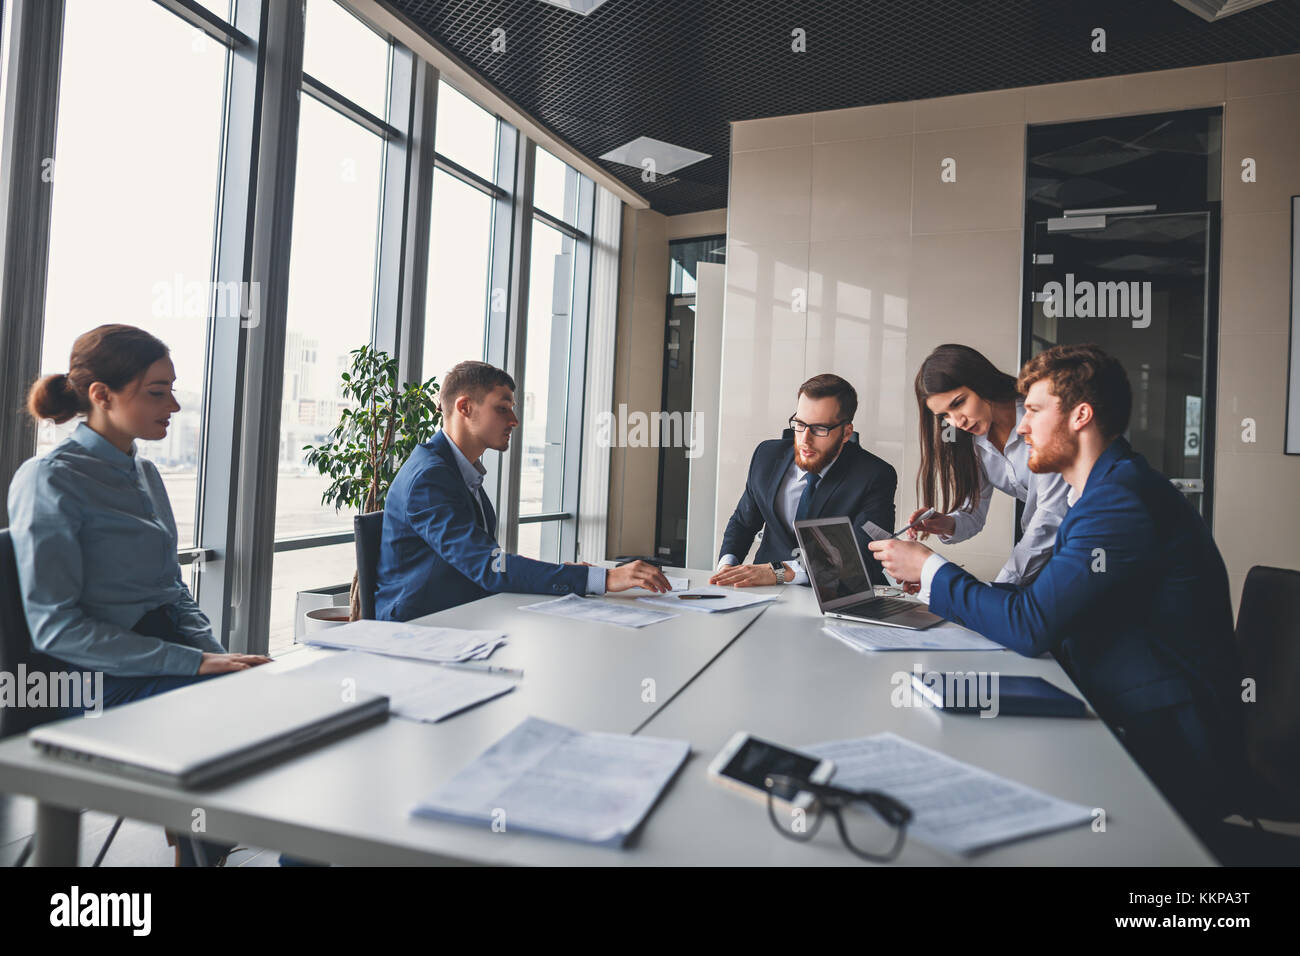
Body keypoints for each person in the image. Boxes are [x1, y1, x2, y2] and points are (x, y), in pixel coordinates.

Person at [869, 343, 1245, 840]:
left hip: (1168, 738)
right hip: (1119, 696)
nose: (1020, 428)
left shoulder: (1118, 504)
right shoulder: (1100, 493)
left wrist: (933, 569)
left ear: (1080, 417)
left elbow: (1030, 623)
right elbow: (1041, 609)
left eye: (1036, 411)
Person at [8, 324, 271, 866]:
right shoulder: (49, 479)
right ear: (101, 395)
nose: (174, 404)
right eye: (157, 391)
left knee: (271, 705)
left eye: (173, 388)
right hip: (90, 680)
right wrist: (192, 663)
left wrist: (217, 656)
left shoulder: (145, 473)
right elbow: (57, 628)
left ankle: (220, 851)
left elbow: (172, 591)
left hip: (161, 660)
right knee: (231, 733)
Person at [376, 360, 669, 621]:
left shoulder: (454, 469)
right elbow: (488, 566)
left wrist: (573, 575)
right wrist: (602, 578)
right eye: (502, 409)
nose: (514, 421)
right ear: (465, 407)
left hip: (462, 616)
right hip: (420, 628)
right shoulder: (430, 477)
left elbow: (484, 561)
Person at [711, 373, 896, 589]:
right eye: (799, 424)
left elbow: (862, 559)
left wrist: (779, 572)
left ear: (846, 433)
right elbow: (743, 522)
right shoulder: (766, 457)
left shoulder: (875, 475)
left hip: (839, 597)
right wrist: (727, 567)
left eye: (819, 429)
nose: (804, 439)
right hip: (765, 590)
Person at [906, 344, 1070, 587]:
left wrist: (998, 590)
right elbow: (973, 514)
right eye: (944, 416)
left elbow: (1049, 517)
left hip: (1086, 540)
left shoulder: (1039, 419)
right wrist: (946, 523)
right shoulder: (971, 443)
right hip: (1049, 553)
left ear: (980, 382)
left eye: (959, 403)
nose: (956, 421)